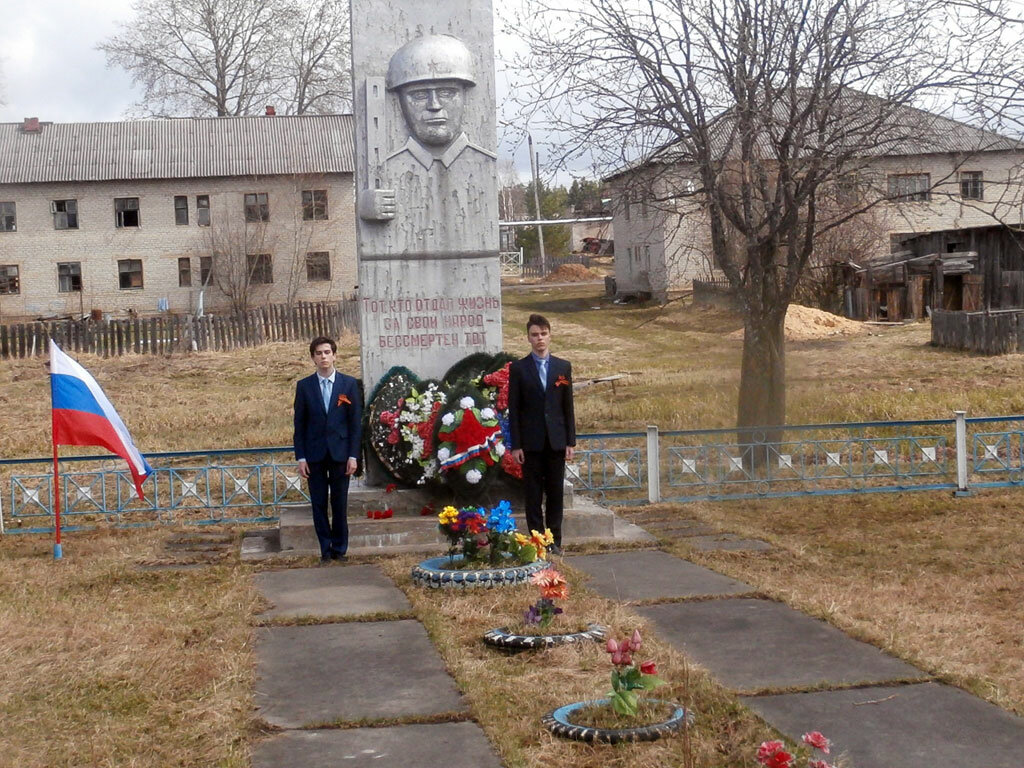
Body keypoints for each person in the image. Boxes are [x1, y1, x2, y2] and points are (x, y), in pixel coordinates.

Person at [508, 314, 576, 556]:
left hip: (556, 441)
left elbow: (567, 406)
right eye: (535, 335)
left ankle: (554, 540)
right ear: (528, 338)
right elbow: (514, 409)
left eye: (543, 334)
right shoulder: (518, 369)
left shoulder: (562, 367)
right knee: (533, 494)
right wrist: (516, 445)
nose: (539, 339)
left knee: (555, 492)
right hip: (531, 442)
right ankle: (537, 540)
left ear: (550, 335)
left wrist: (570, 441)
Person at [293, 336, 362, 563]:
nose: (323, 357)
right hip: (314, 454)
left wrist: (353, 455)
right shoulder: (304, 387)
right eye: (319, 353)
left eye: (327, 352)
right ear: (313, 358)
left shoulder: (348, 384)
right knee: (319, 502)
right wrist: (301, 457)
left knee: (339, 503)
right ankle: (325, 548)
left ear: (334, 355)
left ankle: (340, 548)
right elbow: (299, 424)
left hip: (340, 454)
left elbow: (355, 424)